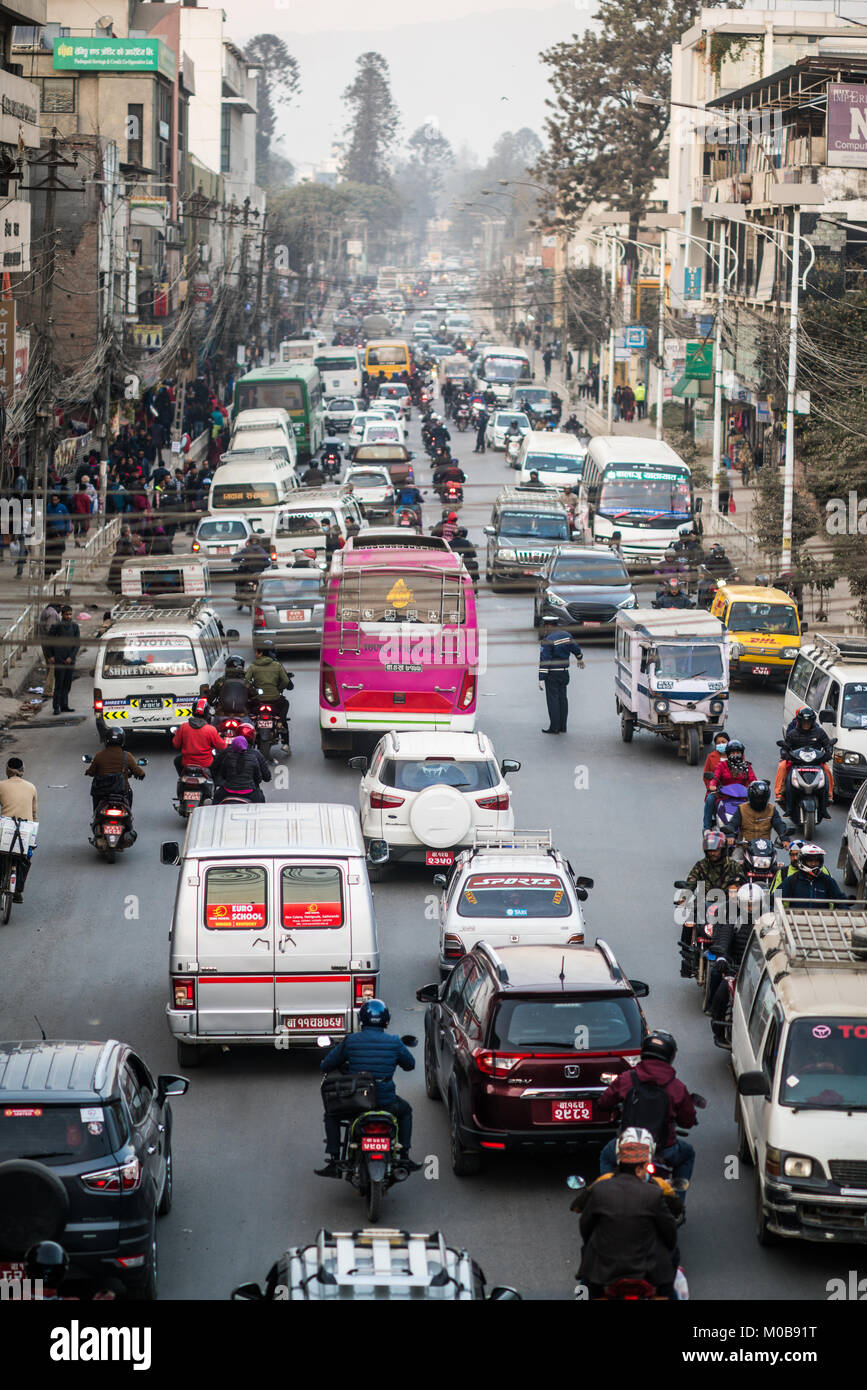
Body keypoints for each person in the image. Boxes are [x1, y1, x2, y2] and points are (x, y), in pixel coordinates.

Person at [572, 1128, 680, 1299]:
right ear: (639, 1169)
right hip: (649, 1271)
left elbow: (585, 1226)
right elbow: (670, 1234)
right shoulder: (655, 1192)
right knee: (668, 1289)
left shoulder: (600, 1188)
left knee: (587, 1286)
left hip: (603, 1272)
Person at [316, 998, 419, 1176]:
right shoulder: (394, 1042)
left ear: (361, 1019)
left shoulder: (351, 1041)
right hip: (387, 1102)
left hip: (357, 1103)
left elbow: (326, 1066)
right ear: (386, 1020)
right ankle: (404, 1156)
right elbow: (410, 1065)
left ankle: (334, 1159)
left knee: (331, 1114)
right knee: (405, 1111)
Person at [598, 1032, 698, 1190]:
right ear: (670, 1056)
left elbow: (604, 1102)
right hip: (665, 1150)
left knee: (606, 1156)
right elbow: (687, 1121)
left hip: (628, 1148)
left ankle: (607, 1194)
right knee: (687, 1155)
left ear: (644, 1051)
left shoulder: (626, 1079)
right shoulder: (677, 1087)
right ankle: (677, 1206)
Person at [775, 706, 834, 821]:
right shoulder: (792, 733)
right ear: (800, 721)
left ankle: (829, 796)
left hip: (816, 763)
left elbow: (827, 746)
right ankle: (780, 794)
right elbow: (785, 748)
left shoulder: (820, 732)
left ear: (812, 721)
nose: (806, 724)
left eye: (808, 721)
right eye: (804, 721)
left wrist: (828, 753)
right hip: (796, 763)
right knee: (782, 766)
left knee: (827, 770)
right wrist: (785, 755)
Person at [0, 758, 38, 901]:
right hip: (26, 830)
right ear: (22, 770)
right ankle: (18, 891)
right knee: (25, 858)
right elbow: (34, 814)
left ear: (7, 770)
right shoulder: (31, 787)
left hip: (6, 829)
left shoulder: (1, 785)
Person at [538, 618, 584, 735]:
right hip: (564, 673)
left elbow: (545, 660)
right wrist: (579, 658)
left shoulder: (548, 640)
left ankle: (554, 727)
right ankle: (563, 726)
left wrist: (541, 678)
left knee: (553, 700)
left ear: (548, 626)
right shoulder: (566, 635)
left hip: (552, 674)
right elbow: (576, 649)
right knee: (563, 699)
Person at [703, 738, 757, 830]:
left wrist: (757, 786)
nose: (735, 755)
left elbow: (753, 779)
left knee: (757, 801)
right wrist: (712, 785)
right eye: (732, 753)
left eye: (737, 752)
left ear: (741, 753)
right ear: (728, 754)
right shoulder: (722, 765)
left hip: (742, 796)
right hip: (723, 795)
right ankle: (707, 827)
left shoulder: (747, 766)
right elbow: (715, 777)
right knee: (710, 798)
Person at [85, 730, 145, 809]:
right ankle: (128, 815)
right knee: (129, 793)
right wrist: (141, 775)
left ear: (106, 740)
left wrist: (87, 772)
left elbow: (91, 772)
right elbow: (139, 772)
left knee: (96, 801)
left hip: (101, 792)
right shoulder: (127, 756)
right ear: (122, 740)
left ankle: (96, 815)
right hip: (122, 792)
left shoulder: (99, 755)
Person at [777, 843, 847, 904]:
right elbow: (774, 899)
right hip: (794, 918)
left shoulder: (828, 881)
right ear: (802, 861)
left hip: (823, 918)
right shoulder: (792, 880)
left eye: (817, 861)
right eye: (810, 861)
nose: (813, 864)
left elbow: (841, 902)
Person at [172, 699, 226, 776]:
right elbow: (222, 746)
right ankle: (215, 781)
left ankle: (182, 777)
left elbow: (176, 745)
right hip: (206, 763)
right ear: (207, 713)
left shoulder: (184, 727)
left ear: (193, 711)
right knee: (220, 762)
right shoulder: (211, 729)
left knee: (177, 760)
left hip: (186, 762)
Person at [245, 642, 293, 728]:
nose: (255, 654)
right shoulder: (277, 665)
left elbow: (245, 681)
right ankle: (280, 722)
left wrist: (252, 691)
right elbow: (286, 681)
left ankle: (251, 722)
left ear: (261, 653)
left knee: (247, 704)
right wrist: (278, 689)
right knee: (286, 703)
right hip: (275, 698)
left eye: (257, 652)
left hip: (258, 699)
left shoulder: (253, 666)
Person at [211, 735, 271, 804]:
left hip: (228, 791)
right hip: (249, 792)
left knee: (215, 800)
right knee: (260, 803)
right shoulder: (253, 758)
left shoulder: (228, 757)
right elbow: (258, 778)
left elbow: (223, 775)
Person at [729, 780, 790, 844]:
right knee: (736, 854)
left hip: (765, 846)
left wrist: (784, 838)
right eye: (757, 799)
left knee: (775, 853)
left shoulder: (771, 809)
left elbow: (779, 825)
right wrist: (730, 836)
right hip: (744, 846)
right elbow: (732, 824)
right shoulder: (742, 809)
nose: (760, 801)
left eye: (762, 799)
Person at [46, 605, 80, 715]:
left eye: (70, 614)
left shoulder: (75, 627)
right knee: (59, 685)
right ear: (62, 615)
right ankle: (56, 707)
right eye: (67, 614)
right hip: (59, 660)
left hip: (70, 660)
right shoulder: (56, 626)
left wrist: (71, 657)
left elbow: (77, 644)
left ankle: (64, 705)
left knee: (67, 684)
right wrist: (50, 655)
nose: (69, 616)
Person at [39, 602, 60, 701]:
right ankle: (48, 691)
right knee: (52, 667)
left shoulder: (45, 610)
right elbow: (50, 630)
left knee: (49, 666)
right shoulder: (53, 614)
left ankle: (48, 688)